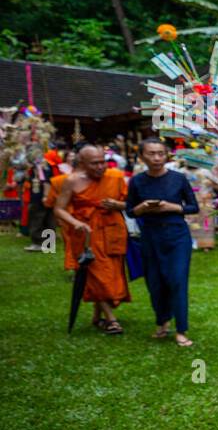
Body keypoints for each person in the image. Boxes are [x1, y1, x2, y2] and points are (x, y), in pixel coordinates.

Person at [126, 137, 199, 346]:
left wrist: (171, 207)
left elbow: (193, 207)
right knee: (155, 282)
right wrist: (142, 208)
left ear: (167, 155)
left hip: (176, 236)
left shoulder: (178, 178)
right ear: (142, 156)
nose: (157, 158)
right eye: (151, 153)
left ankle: (181, 329)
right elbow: (130, 211)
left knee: (176, 280)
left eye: (161, 153)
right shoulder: (137, 181)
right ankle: (162, 322)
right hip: (150, 236)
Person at [51, 144, 131, 334]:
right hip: (86, 233)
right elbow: (59, 208)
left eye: (102, 162)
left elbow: (131, 204)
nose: (100, 167)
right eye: (94, 163)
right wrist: (74, 222)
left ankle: (98, 315)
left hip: (112, 230)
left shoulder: (116, 177)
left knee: (111, 274)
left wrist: (117, 204)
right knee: (96, 274)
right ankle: (111, 320)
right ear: (83, 163)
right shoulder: (71, 181)